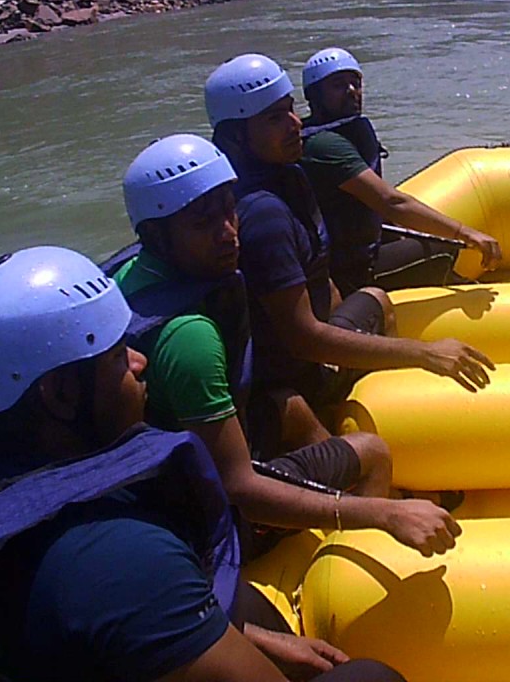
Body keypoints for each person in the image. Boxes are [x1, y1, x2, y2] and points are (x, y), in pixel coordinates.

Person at [0, 246, 405, 682]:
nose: (139, 362)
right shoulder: (115, 554)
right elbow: (117, 588)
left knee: (244, 608)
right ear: (61, 394)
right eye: (116, 356)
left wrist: (242, 636)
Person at [113, 133, 460, 558]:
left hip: (171, 460)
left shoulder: (129, 278)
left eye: (229, 211)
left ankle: (338, 496)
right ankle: (358, 564)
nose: (227, 234)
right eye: (203, 223)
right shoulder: (190, 337)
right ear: (157, 235)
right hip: (205, 514)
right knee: (372, 451)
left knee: (288, 405)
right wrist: (377, 513)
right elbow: (239, 488)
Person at [204, 54, 495, 420]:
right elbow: (303, 339)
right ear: (235, 136)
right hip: (299, 371)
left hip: (307, 332)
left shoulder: (279, 178)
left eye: (290, 110)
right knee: (378, 297)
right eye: (274, 118)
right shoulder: (264, 213)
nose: (293, 125)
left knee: (368, 298)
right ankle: (383, 412)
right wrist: (423, 352)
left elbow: (318, 273)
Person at [299, 46, 502, 293]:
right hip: (349, 271)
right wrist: (464, 232)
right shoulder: (324, 145)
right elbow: (391, 202)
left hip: (353, 251)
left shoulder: (335, 132)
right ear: (314, 96)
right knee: (445, 247)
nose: (352, 91)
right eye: (338, 85)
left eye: (355, 82)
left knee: (409, 237)